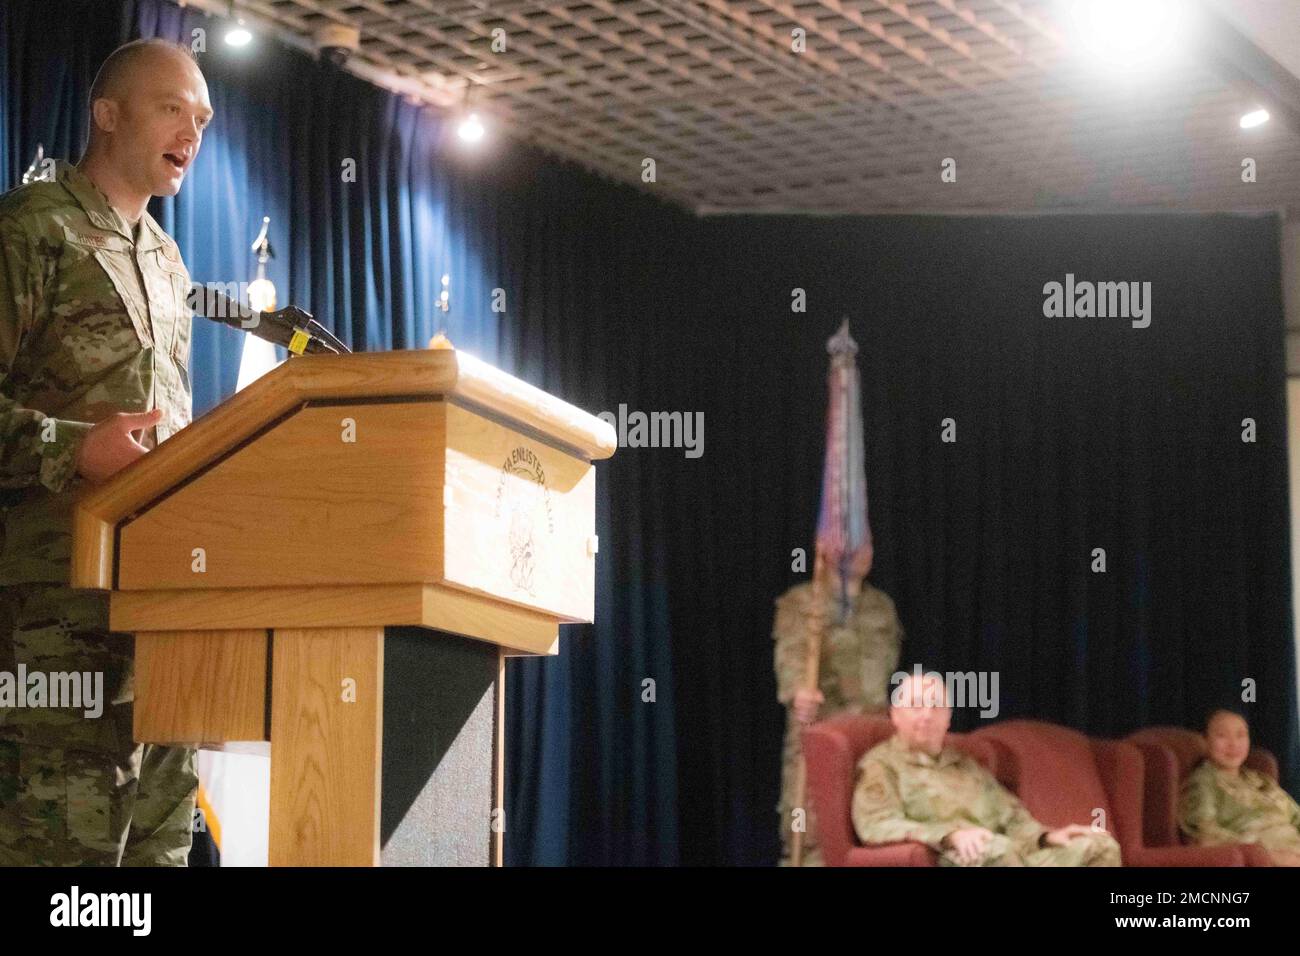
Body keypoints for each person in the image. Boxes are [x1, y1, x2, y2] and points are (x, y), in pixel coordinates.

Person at [0, 38, 212, 865]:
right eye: (173, 110)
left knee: (153, 857)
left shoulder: (167, 262)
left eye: (201, 120)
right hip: (52, 614)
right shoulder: (33, 228)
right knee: (61, 865)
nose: (191, 132)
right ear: (108, 114)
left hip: (159, 611)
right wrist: (69, 450)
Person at [851, 672, 1121, 866]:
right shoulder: (882, 764)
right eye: (916, 706)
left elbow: (1012, 818)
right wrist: (949, 836)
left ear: (948, 718)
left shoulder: (964, 764)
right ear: (895, 715)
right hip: (958, 857)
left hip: (1011, 855)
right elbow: (876, 825)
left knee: (1099, 846)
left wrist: (1047, 837)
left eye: (936, 706)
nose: (926, 715)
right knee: (996, 851)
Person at [773, 566, 902, 865]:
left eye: (863, 538)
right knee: (808, 831)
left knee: (872, 828)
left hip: (873, 741)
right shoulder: (804, 602)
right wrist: (798, 693)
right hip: (820, 737)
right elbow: (791, 658)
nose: (854, 545)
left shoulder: (881, 606)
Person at [1178, 709, 1300, 866]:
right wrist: (1268, 855)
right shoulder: (1202, 783)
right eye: (1222, 735)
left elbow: (1295, 816)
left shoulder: (1260, 780)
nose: (1233, 744)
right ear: (1205, 740)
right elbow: (1205, 838)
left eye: (1241, 735)